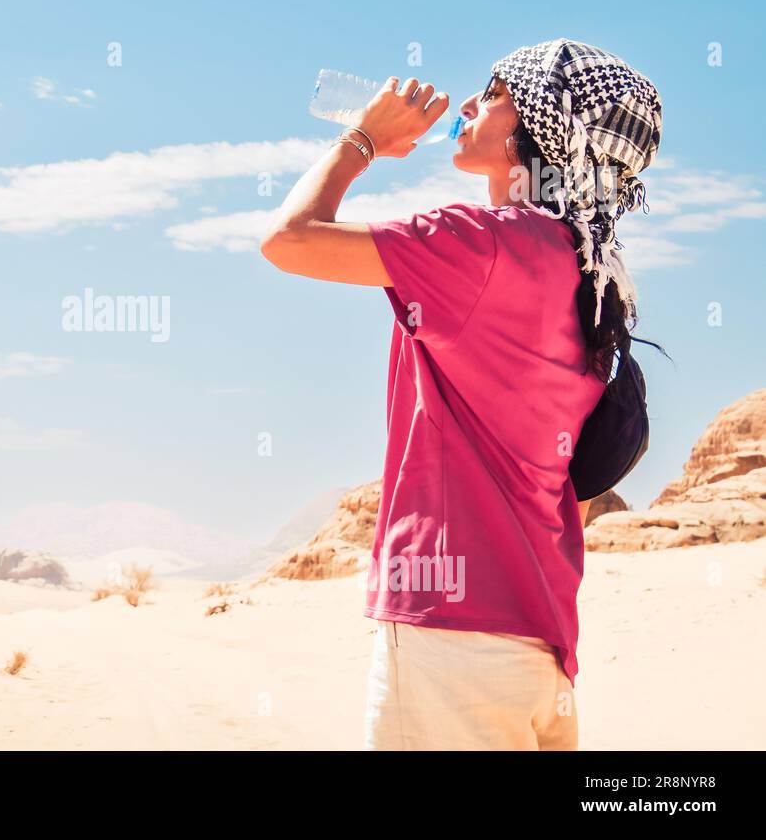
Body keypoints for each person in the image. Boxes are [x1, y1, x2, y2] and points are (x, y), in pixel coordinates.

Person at [260, 39, 665, 750]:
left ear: (539, 129)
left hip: (451, 647)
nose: (470, 103)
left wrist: (363, 140)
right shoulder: (593, 278)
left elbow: (288, 239)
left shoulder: (483, 244)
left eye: (497, 93)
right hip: (542, 645)